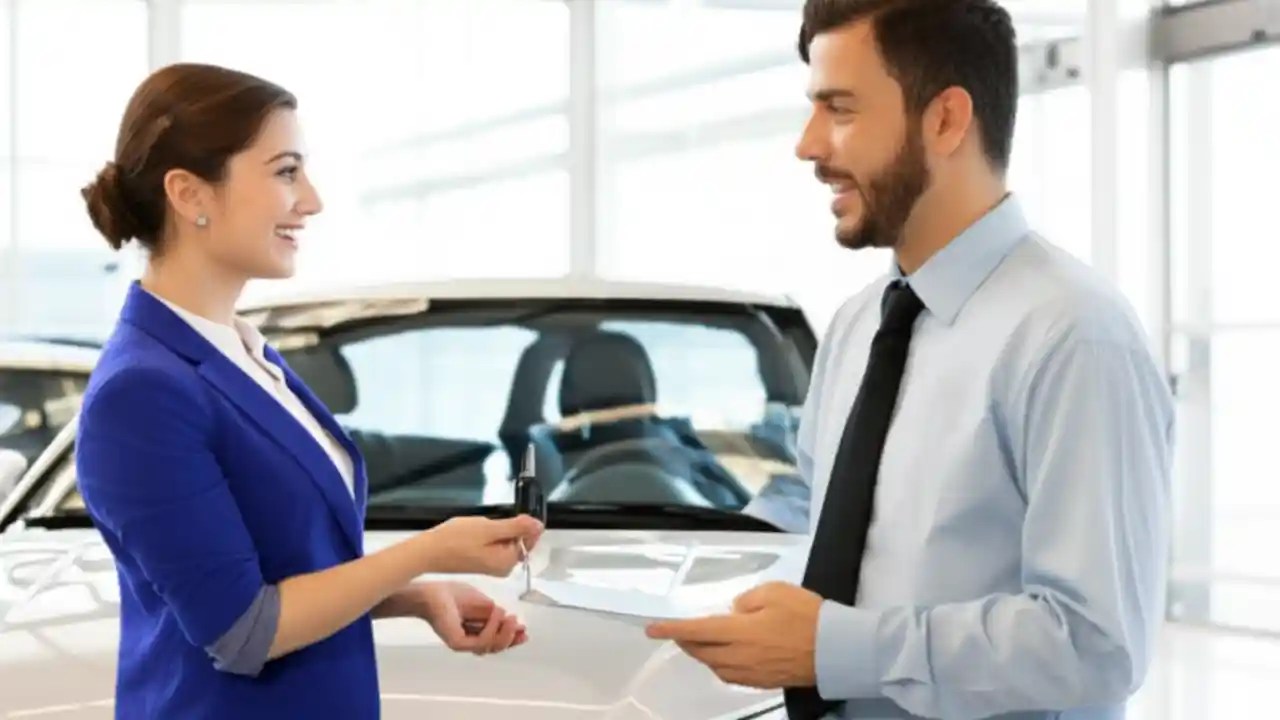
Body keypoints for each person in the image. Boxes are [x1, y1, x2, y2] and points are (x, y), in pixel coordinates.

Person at [646, 1, 1174, 719]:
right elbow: (821, 507)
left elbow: (1095, 645)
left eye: (839, 109)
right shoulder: (860, 323)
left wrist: (837, 650)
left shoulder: (1074, 337)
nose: (807, 145)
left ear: (946, 120)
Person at [75, 62, 544, 720]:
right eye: (285, 171)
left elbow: (275, 572)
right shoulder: (142, 393)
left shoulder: (239, 351)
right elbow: (243, 630)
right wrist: (430, 547)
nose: (312, 200)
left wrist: (416, 592)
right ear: (190, 194)